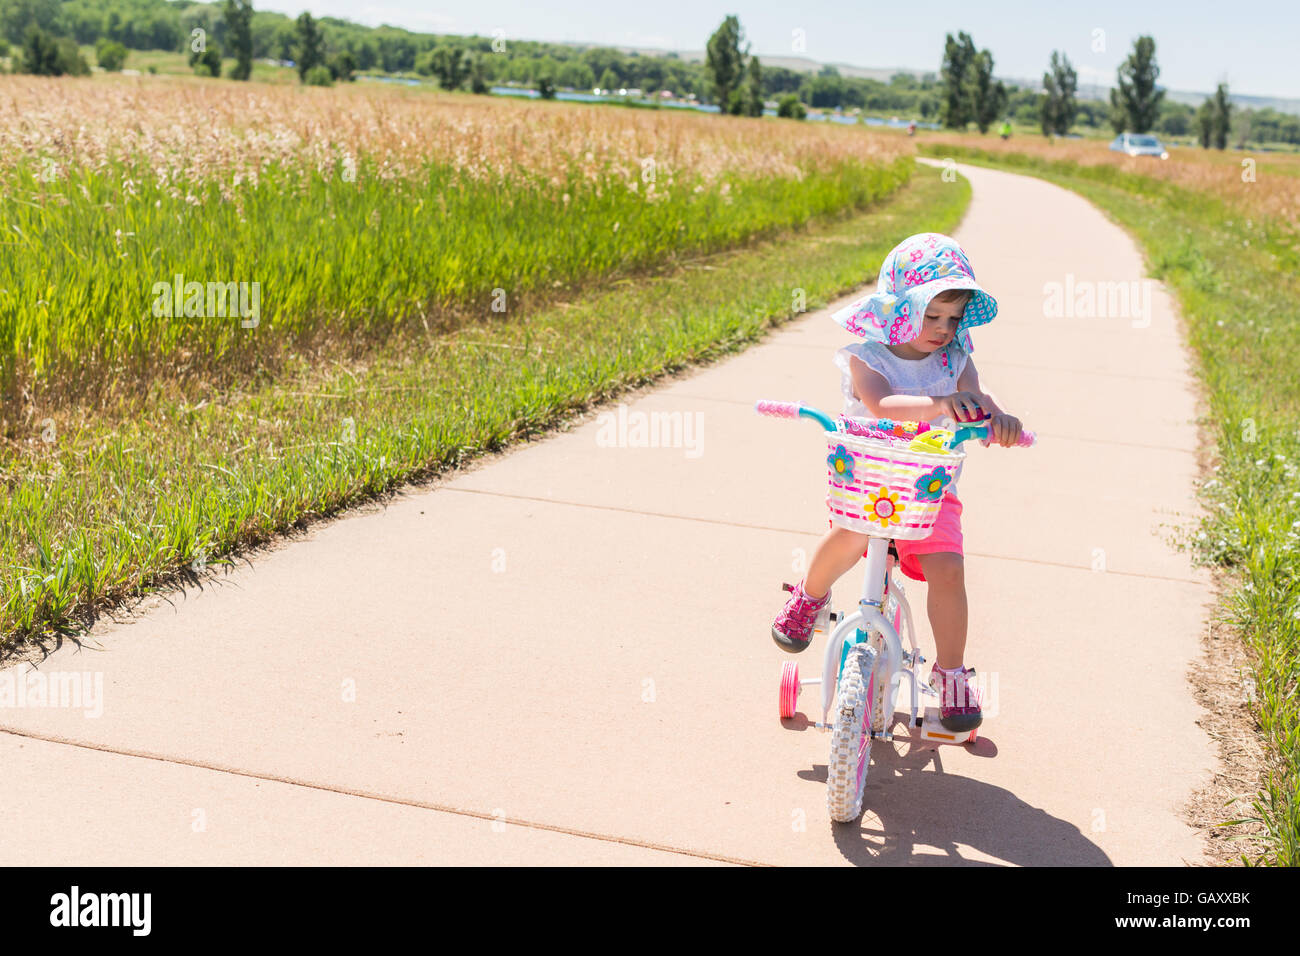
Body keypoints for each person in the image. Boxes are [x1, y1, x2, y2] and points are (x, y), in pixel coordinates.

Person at [769, 233, 1023, 731]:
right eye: (932, 316)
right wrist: (939, 406)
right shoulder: (868, 357)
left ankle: (950, 673)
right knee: (849, 537)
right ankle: (809, 598)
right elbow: (882, 406)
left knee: (948, 570)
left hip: (931, 489)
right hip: (870, 483)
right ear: (899, 308)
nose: (944, 329)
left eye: (953, 319)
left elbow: (976, 400)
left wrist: (996, 417)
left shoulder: (956, 360)